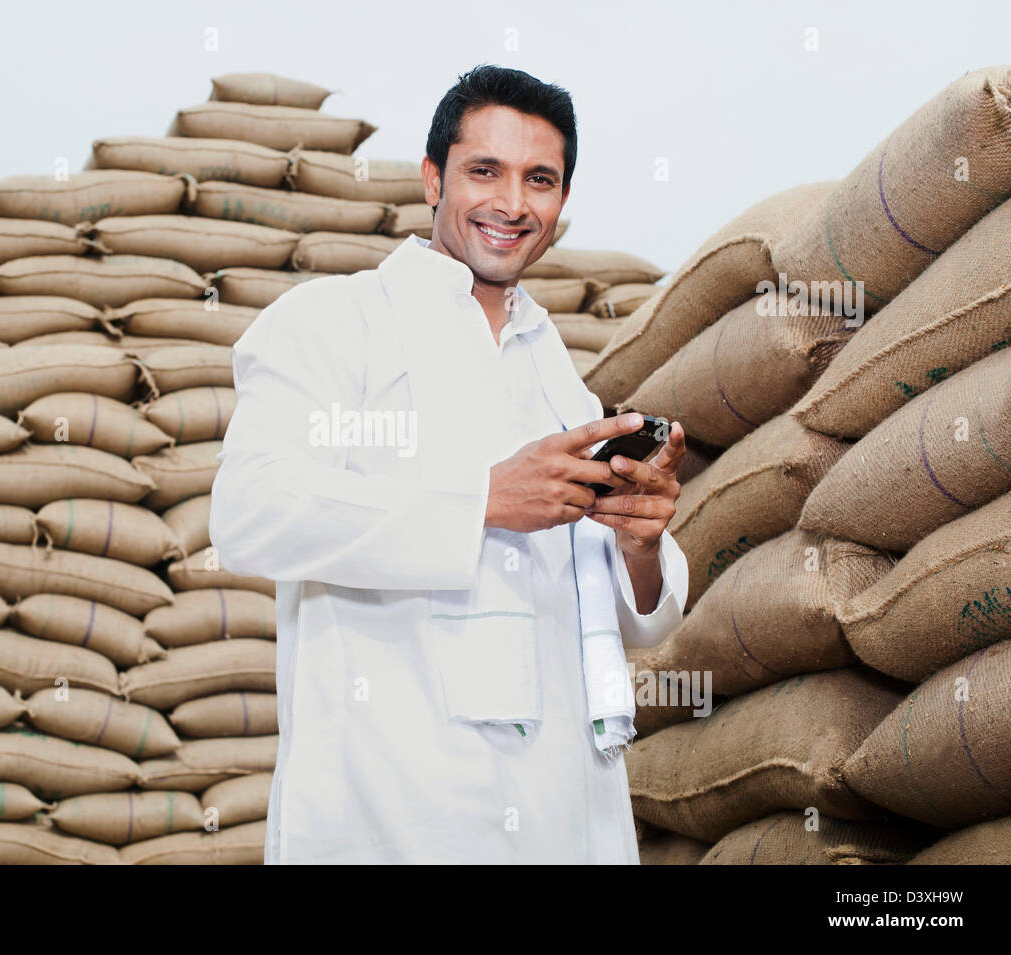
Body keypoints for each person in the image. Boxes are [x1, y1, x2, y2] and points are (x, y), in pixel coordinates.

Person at [209, 63, 690, 864]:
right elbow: (251, 510)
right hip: (389, 814)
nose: (512, 204)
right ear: (433, 179)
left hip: (565, 815)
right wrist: (483, 499)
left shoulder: (562, 381)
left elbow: (636, 618)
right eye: (484, 171)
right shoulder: (334, 323)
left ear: (562, 202)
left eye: (540, 179)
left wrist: (641, 544)